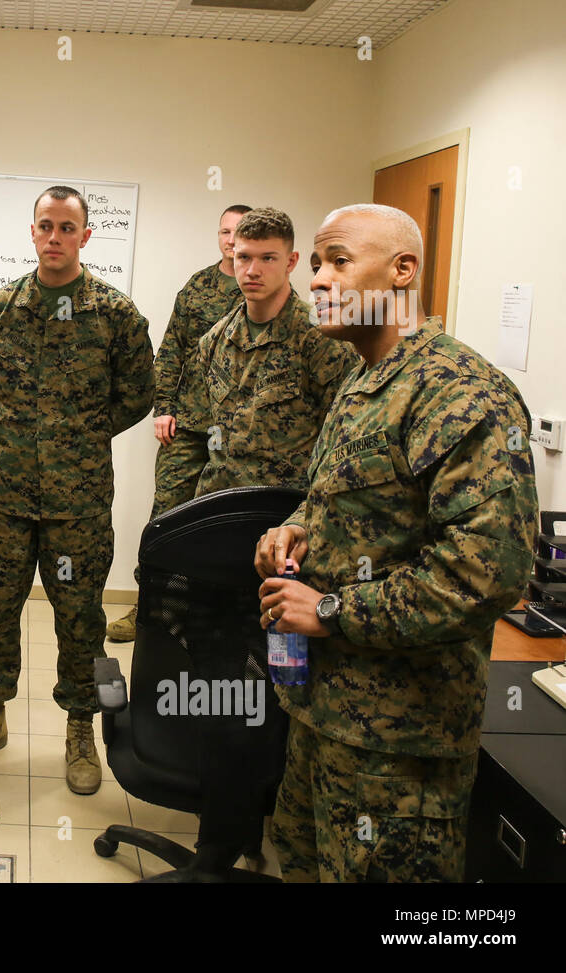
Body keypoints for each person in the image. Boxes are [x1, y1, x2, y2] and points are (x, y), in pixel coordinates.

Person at [255, 204, 537, 882]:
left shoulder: (459, 392)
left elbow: (485, 575)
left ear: (402, 270)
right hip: (323, 716)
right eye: (316, 263)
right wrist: (296, 524)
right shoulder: (364, 377)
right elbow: (348, 498)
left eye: (338, 261)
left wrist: (328, 612)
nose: (318, 278)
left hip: (398, 751)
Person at [0, 186, 154, 794]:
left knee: (81, 620)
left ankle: (81, 727)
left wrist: (76, 436)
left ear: (86, 236)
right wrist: (27, 433)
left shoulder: (117, 316)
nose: (55, 237)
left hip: (79, 501)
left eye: (68, 227)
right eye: (46, 225)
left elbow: (137, 397)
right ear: (32, 231)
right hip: (6, 498)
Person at [106, 204, 249, 643]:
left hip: (240, 433)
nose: (230, 240)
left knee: (228, 524)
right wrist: (163, 407)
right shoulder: (199, 286)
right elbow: (170, 352)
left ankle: (207, 618)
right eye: (224, 231)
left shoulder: (266, 290)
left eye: (239, 233)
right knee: (166, 517)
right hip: (188, 424)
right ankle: (148, 609)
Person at [184, 207, 358, 497]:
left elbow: (343, 440)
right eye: (244, 257)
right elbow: (201, 433)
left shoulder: (321, 339)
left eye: (267, 258)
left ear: (291, 262)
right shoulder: (214, 341)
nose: (253, 270)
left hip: (285, 511)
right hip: (220, 503)